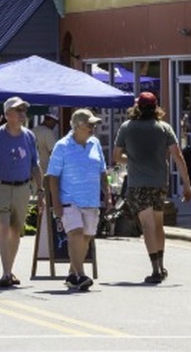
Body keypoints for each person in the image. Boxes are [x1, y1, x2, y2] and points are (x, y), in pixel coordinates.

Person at [113, 91, 191, 284]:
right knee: (158, 224)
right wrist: (187, 185)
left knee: (147, 225)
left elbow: (116, 156)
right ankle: (161, 265)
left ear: (137, 107)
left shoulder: (127, 127)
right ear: (156, 107)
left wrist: (131, 160)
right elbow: (178, 156)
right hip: (159, 182)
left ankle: (155, 269)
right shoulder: (164, 128)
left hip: (138, 184)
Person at [0, 96, 43, 287]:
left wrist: (40, 191)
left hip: (22, 188)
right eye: (18, 110)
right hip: (0, 187)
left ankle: (9, 269)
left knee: (16, 229)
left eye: (24, 110)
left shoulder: (29, 136)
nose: (23, 113)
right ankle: (6, 273)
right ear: (7, 115)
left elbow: (35, 165)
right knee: (4, 226)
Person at [47, 108, 109, 291]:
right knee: (76, 233)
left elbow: (102, 170)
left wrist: (107, 193)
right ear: (77, 126)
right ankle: (80, 274)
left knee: (87, 237)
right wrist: (56, 203)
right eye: (89, 125)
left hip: (91, 199)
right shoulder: (62, 146)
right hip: (69, 199)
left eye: (94, 125)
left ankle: (72, 273)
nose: (93, 128)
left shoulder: (95, 143)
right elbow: (53, 176)